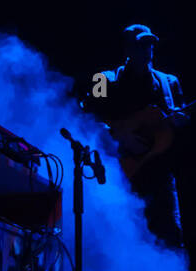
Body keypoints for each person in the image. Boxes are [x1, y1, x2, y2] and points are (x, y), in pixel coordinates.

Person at [81, 24, 188, 248]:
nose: (147, 50)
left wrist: (180, 122)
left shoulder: (170, 83)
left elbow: (180, 125)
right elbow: (85, 120)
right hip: (120, 174)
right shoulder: (106, 80)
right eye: (141, 45)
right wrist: (118, 135)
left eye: (150, 45)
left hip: (160, 177)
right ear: (128, 50)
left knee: (170, 241)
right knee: (121, 239)